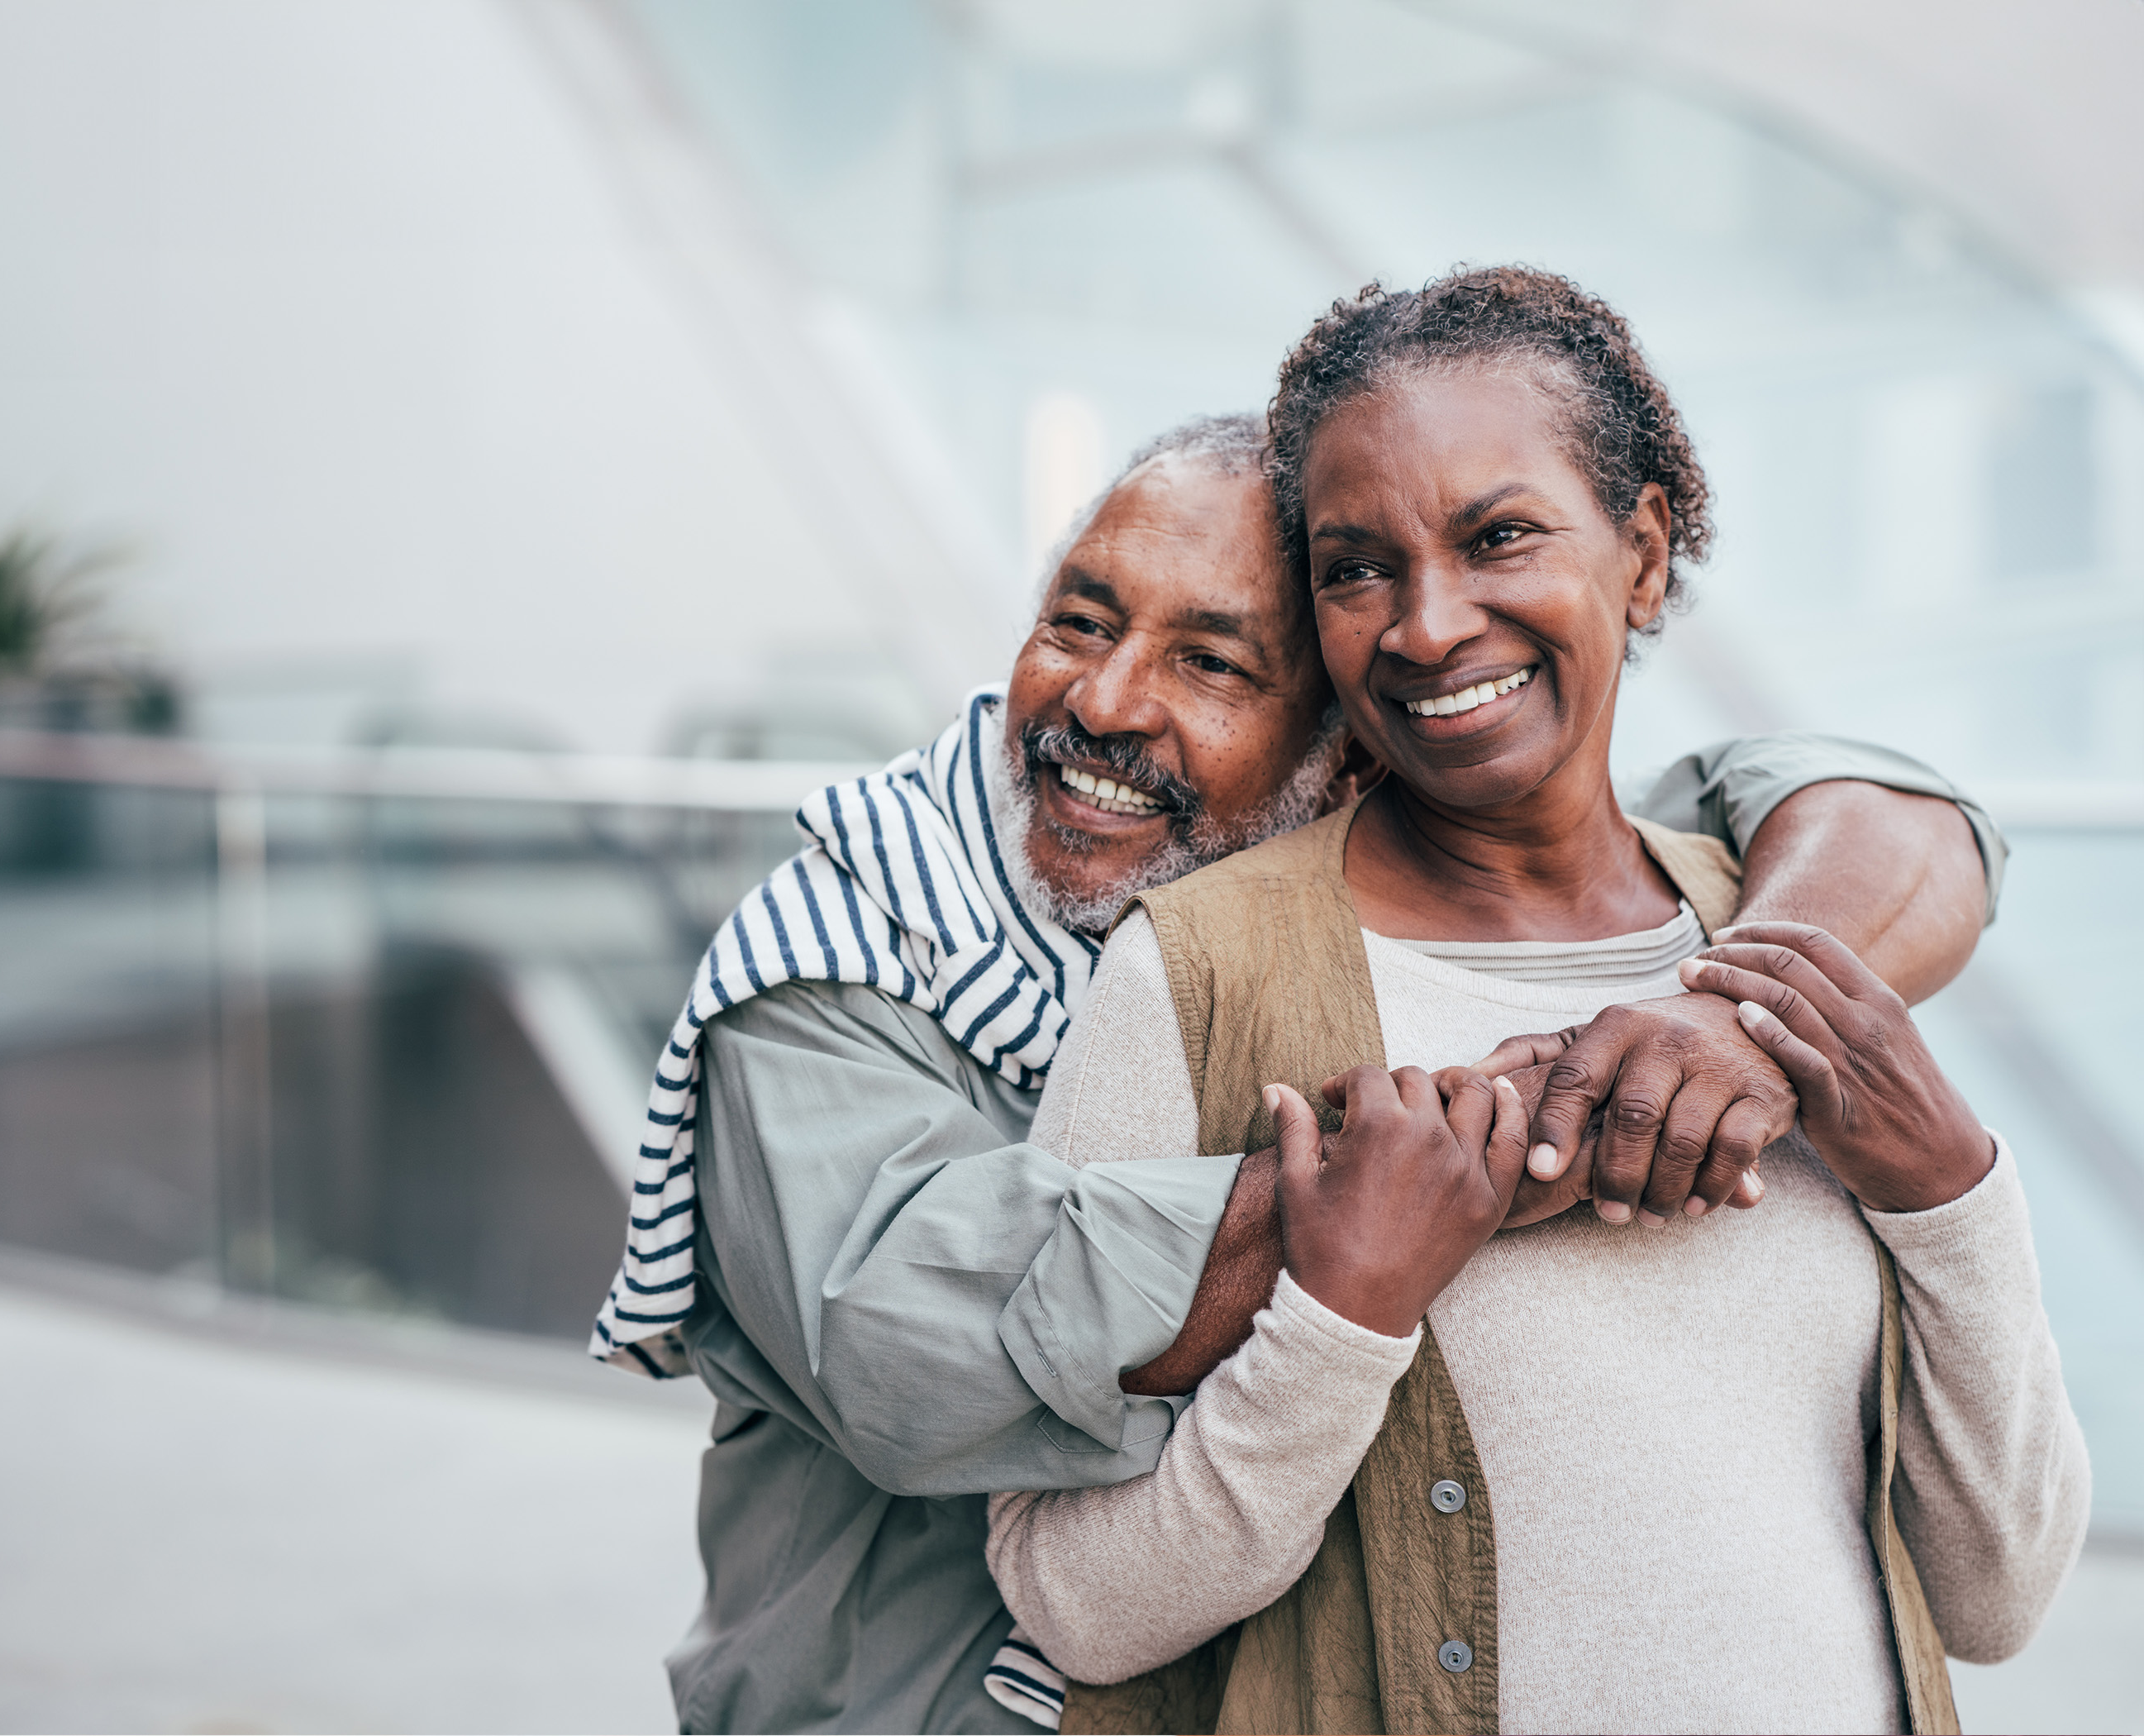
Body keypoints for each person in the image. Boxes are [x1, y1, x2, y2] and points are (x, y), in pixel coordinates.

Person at [590, 419, 2006, 1734]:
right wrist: (1478, 1156)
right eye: (1077, 622)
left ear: (1354, 752)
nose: (1103, 701)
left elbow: (1881, 806)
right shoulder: (842, 950)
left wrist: (1741, 1015)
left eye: (1212, 663)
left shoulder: (1454, 873)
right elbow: (901, 1354)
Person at [984, 269, 2085, 1734]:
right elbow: (1071, 1603)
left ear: (1638, 555)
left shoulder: (1778, 957)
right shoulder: (1192, 975)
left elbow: (1994, 1600)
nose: (1429, 626)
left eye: (1497, 536)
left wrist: (1948, 1192)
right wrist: (1341, 1315)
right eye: (1354, 567)